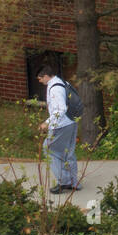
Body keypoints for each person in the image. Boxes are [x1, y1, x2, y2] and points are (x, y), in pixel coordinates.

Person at [37, 64, 79, 194]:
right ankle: (73, 182)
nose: (39, 81)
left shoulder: (54, 89)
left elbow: (60, 109)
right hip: (72, 121)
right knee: (68, 152)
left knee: (49, 149)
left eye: (39, 79)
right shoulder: (62, 82)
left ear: (45, 76)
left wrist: (47, 123)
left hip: (61, 125)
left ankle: (63, 181)